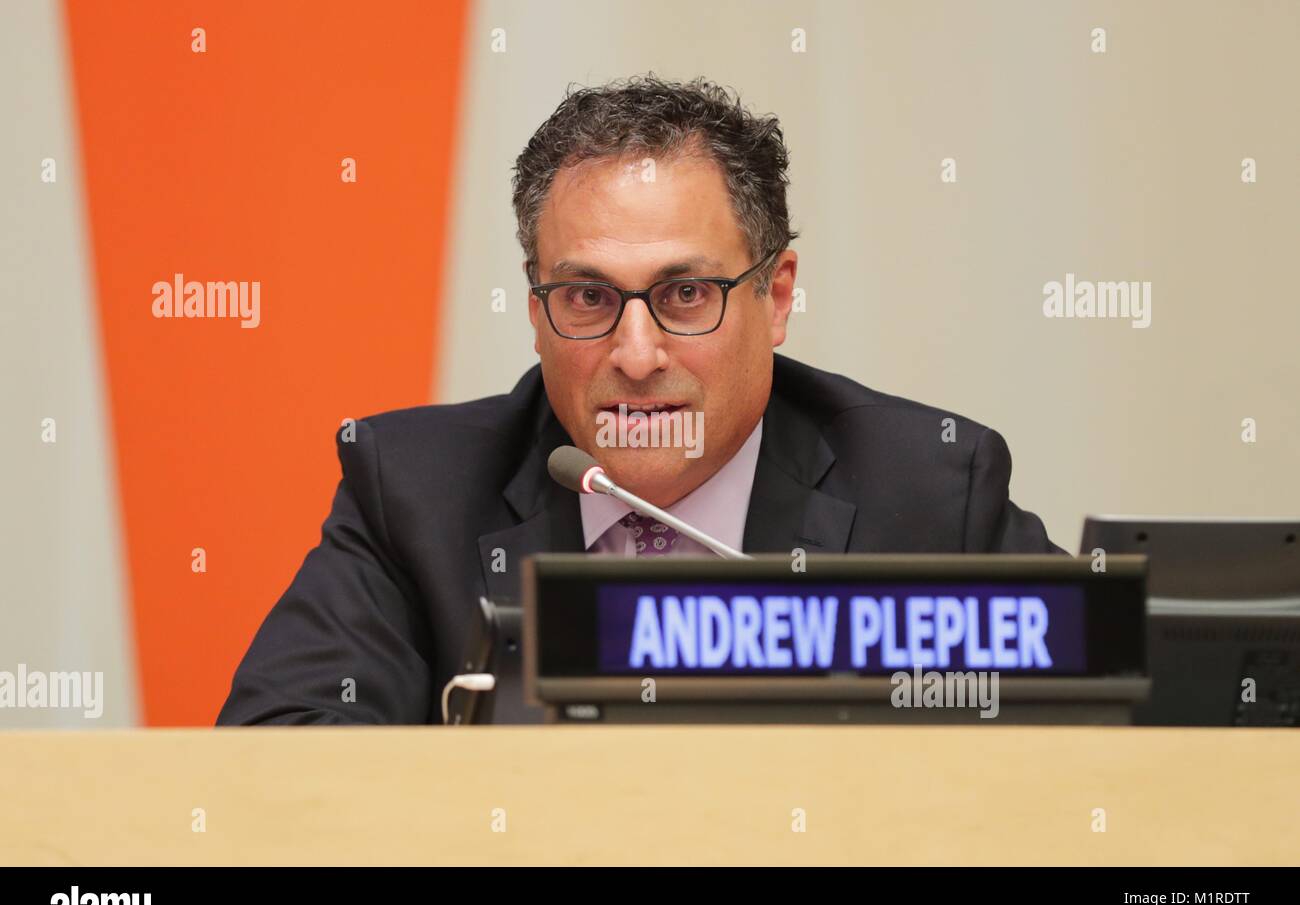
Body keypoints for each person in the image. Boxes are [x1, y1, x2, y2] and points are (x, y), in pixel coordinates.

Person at [217, 75, 1063, 727]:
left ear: (774, 299)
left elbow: (1132, 728)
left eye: (686, 293)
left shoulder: (925, 490)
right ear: (536, 307)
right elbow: (283, 755)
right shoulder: (414, 492)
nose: (636, 353)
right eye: (587, 298)